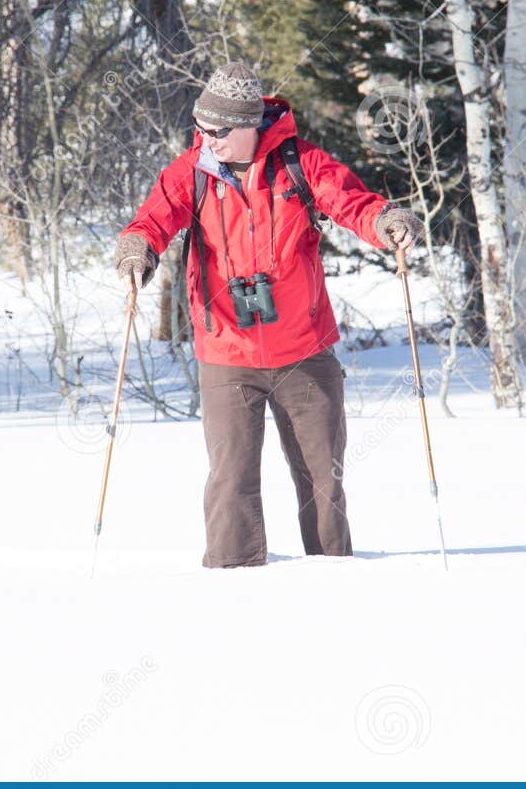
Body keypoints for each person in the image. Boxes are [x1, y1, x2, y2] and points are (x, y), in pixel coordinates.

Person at [114, 62, 424, 568]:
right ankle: (231, 587)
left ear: (249, 125)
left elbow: (352, 202)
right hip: (227, 351)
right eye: (202, 128)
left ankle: (337, 579)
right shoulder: (191, 171)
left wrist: (386, 222)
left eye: (218, 131)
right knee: (230, 482)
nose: (206, 138)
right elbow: (152, 220)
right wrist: (136, 252)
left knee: (322, 480)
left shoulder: (299, 163)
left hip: (303, 349)